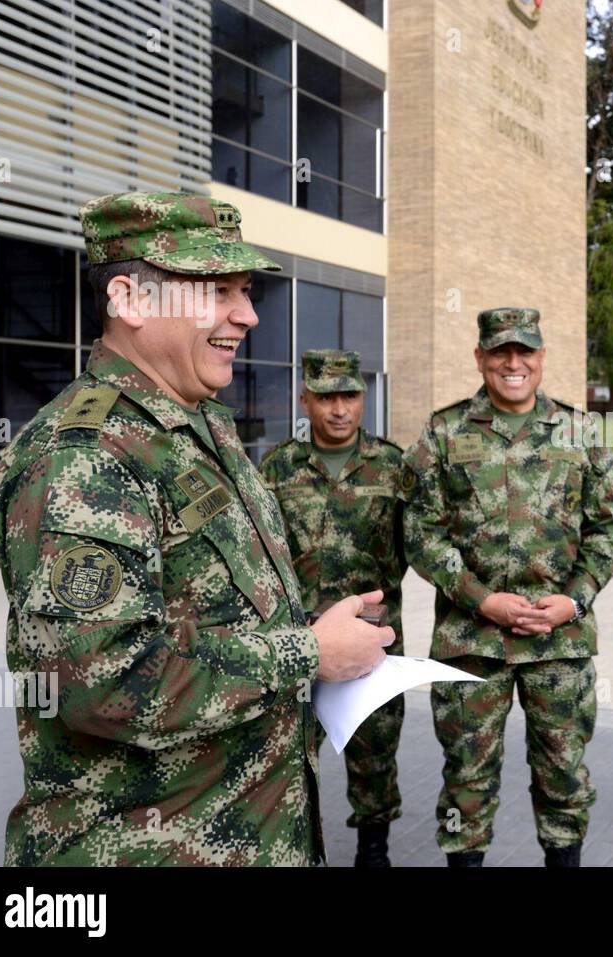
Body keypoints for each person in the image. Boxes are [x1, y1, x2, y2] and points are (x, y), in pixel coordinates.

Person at [0, 191, 394, 865]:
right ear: (132, 300)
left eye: (246, 289)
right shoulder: (86, 453)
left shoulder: (201, 424)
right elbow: (105, 679)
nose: (247, 314)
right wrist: (307, 653)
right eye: (216, 289)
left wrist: (315, 637)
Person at [403, 307, 613, 867]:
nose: (513, 362)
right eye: (500, 352)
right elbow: (421, 533)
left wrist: (573, 600)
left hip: (560, 641)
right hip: (471, 642)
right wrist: (485, 601)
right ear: (480, 358)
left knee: (565, 775)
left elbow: (606, 530)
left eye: (525, 351)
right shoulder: (443, 432)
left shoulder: (581, 431)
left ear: (542, 357)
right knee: (466, 780)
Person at [260, 349, 410, 868]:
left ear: (363, 397)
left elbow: (418, 545)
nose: (339, 408)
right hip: (297, 641)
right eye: (326, 397)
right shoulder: (277, 466)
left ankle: (374, 854)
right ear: (306, 399)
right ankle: (296, 851)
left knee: (375, 755)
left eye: (349, 395)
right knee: (291, 759)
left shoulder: (393, 466)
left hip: (373, 641)